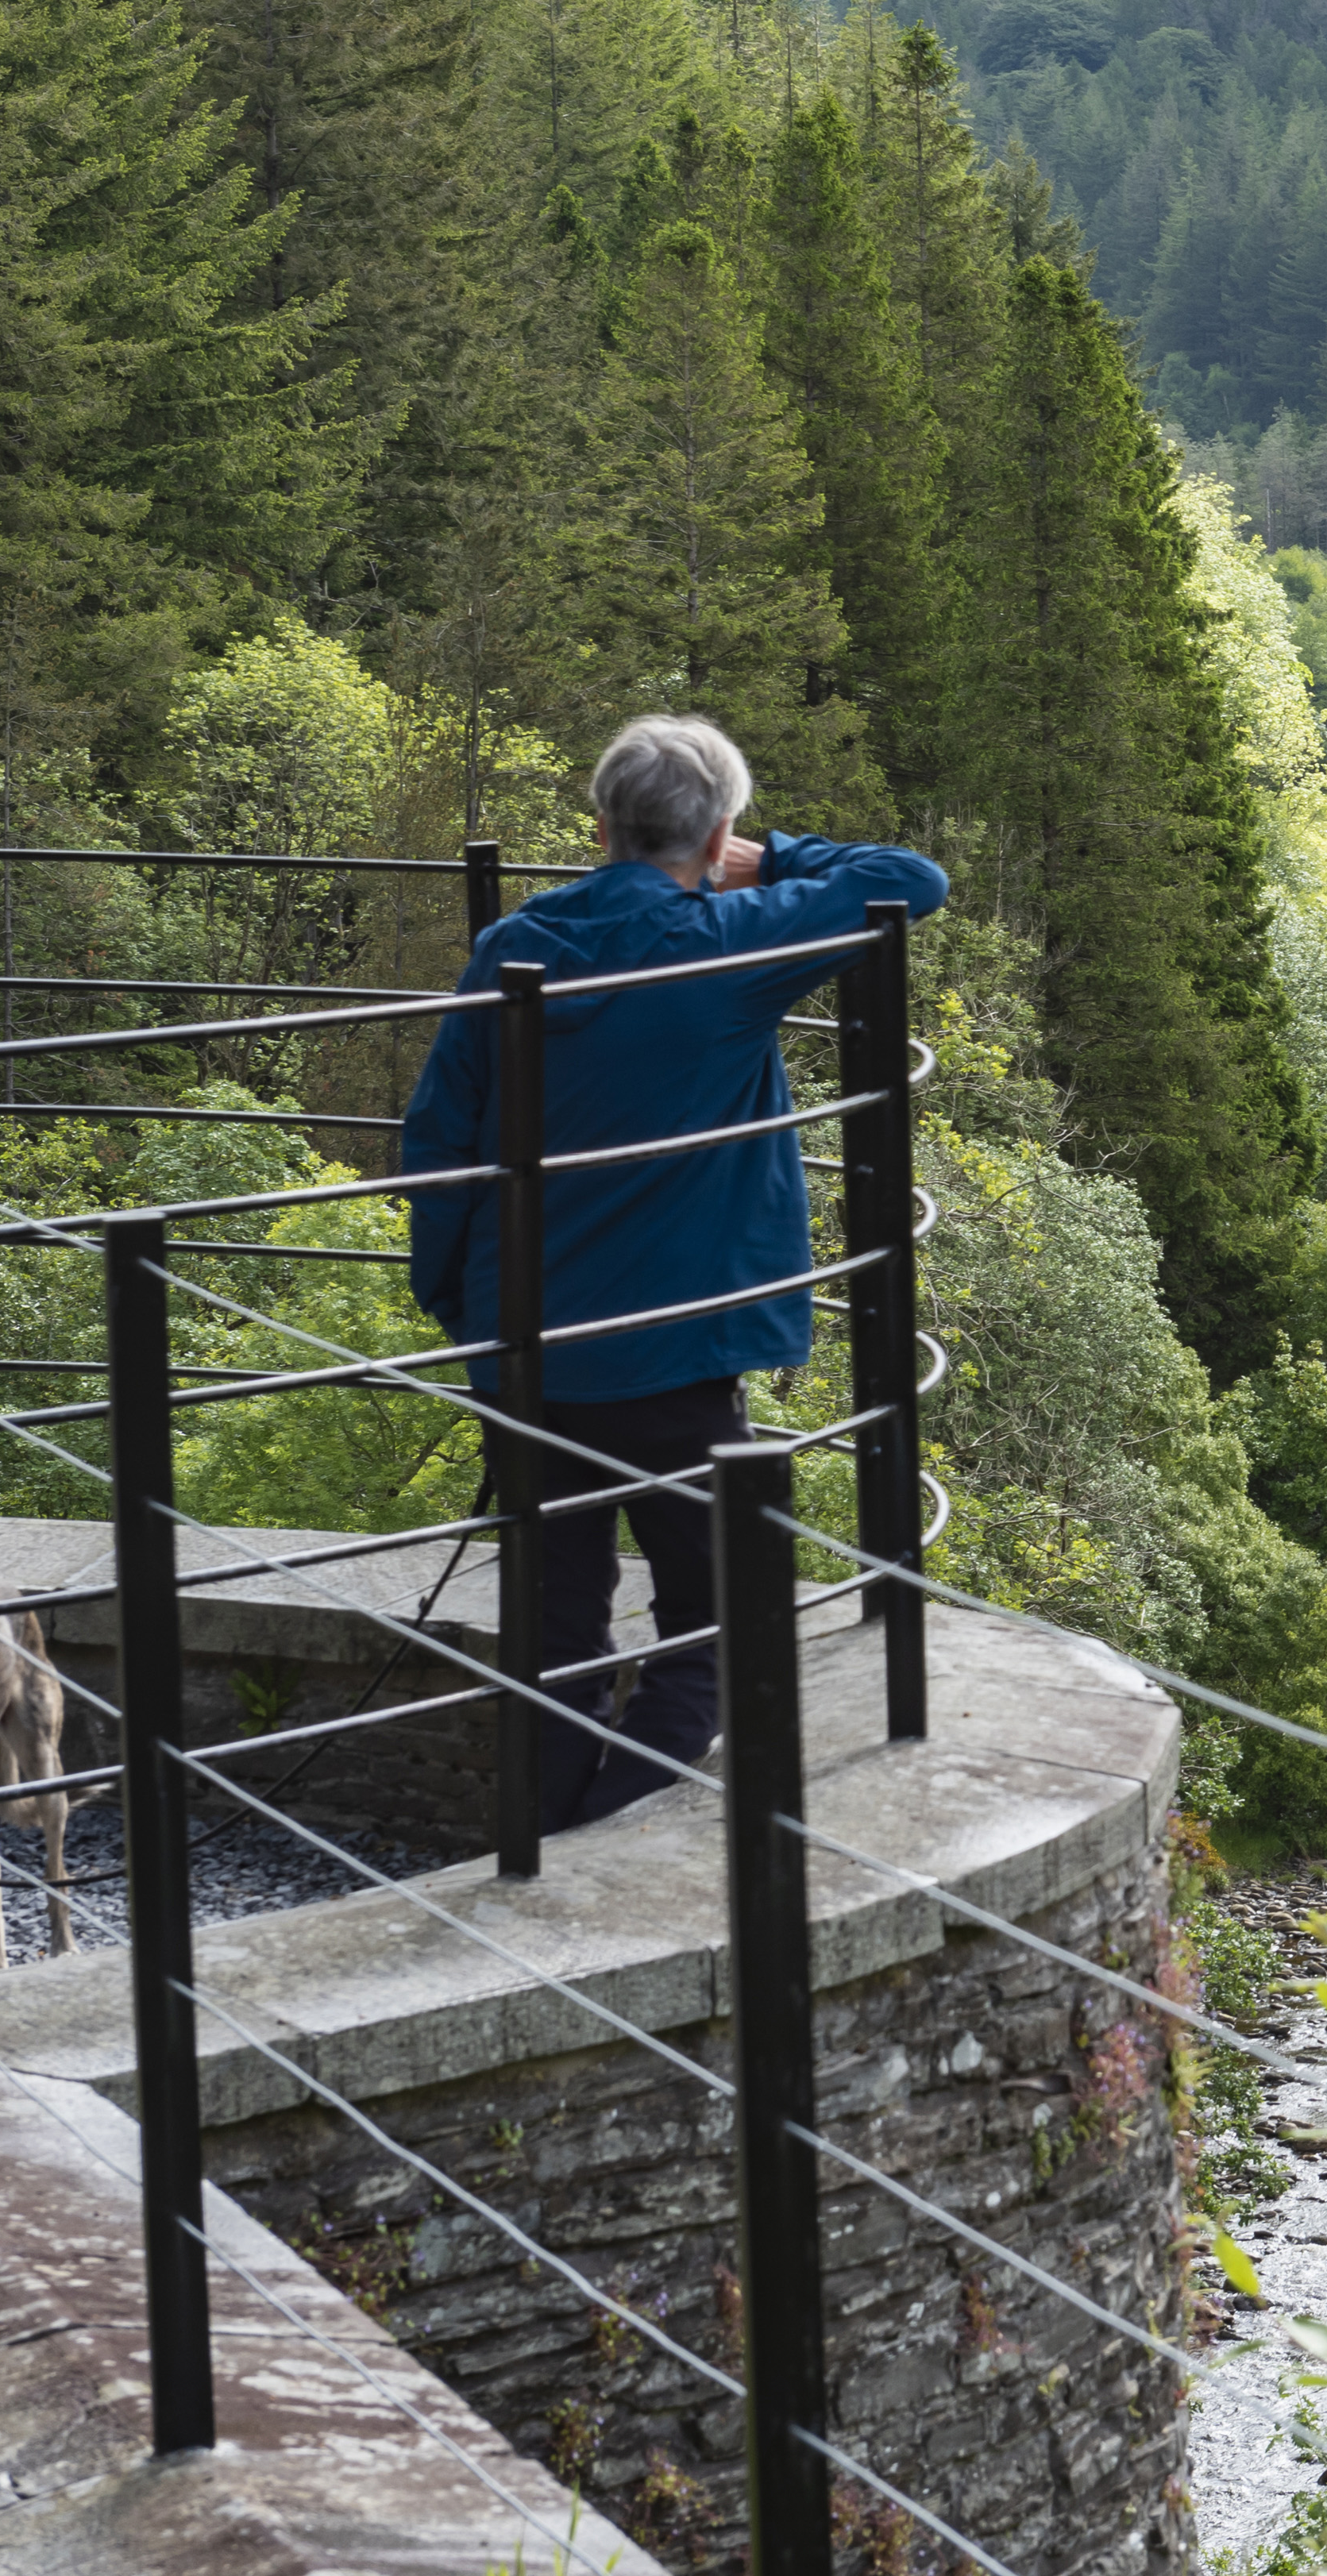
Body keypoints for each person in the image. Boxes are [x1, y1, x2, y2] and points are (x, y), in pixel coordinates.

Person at [401, 715, 946, 1829]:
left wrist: (465, 1310)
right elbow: (910, 881)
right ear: (720, 831)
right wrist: (772, 857)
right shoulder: (732, 944)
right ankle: (600, 1835)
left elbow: (440, 1144)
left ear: (598, 827)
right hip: (682, 1348)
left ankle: (544, 1839)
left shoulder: (512, 945)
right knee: (719, 1623)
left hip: (527, 1347)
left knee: (557, 1627)